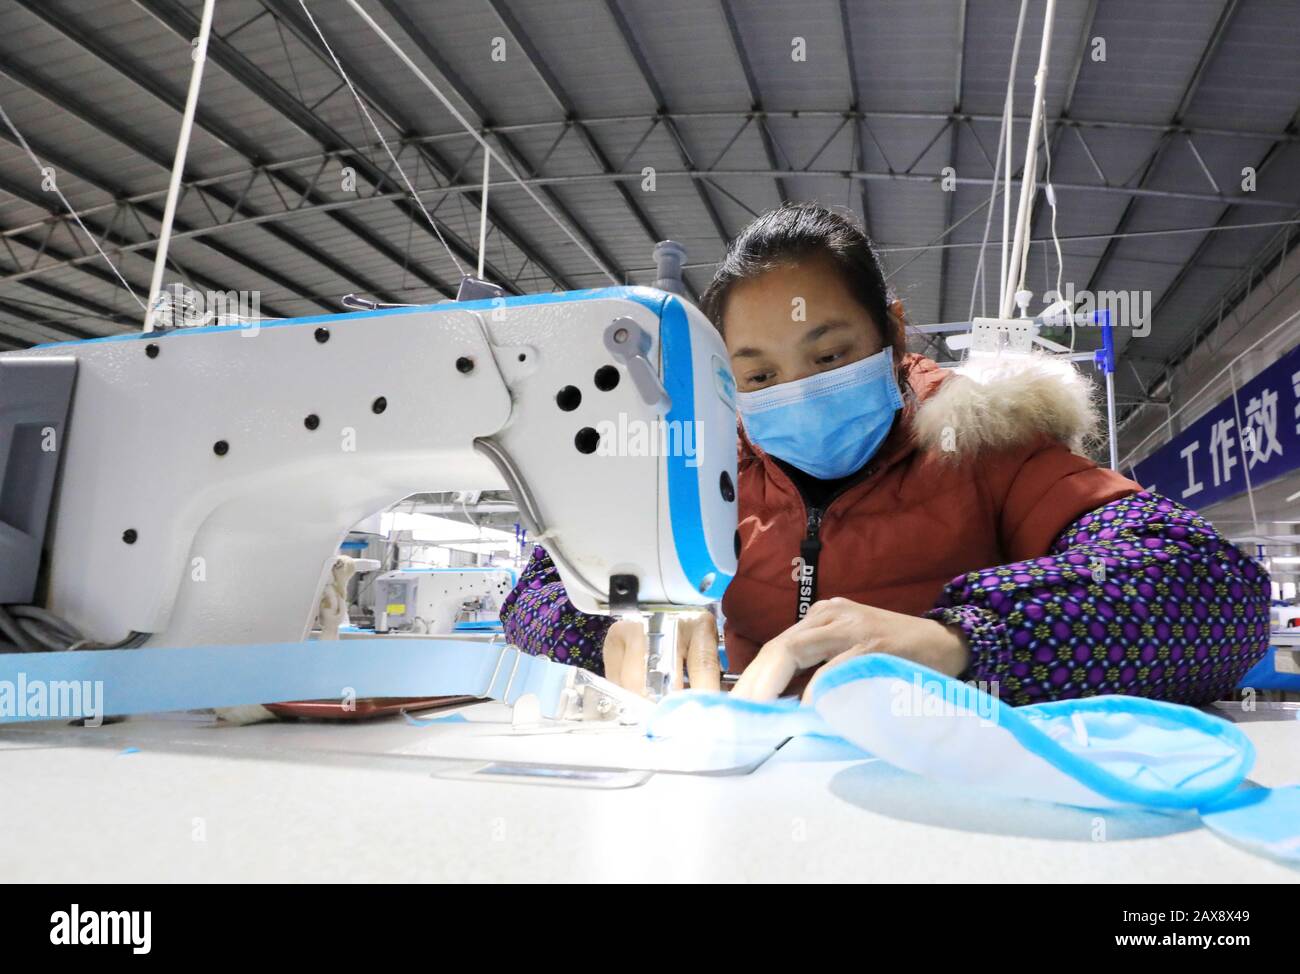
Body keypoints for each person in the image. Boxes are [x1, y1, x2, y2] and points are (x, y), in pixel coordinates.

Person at [501, 202, 1270, 705]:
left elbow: (1216, 595)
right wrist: (610, 629)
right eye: (759, 374)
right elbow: (534, 591)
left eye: (829, 356)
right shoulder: (699, 467)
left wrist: (962, 640)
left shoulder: (989, 446)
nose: (794, 391)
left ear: (892, 333)